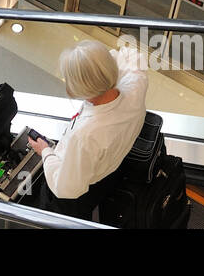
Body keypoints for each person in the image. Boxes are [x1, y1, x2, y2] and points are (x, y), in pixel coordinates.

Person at [26, 40, 147, 219]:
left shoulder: (86, 135)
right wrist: (95, 63)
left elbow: (65, 188)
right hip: (112, 170)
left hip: (77, 194)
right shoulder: (135, 84)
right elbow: (132, 55)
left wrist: (45, 151)